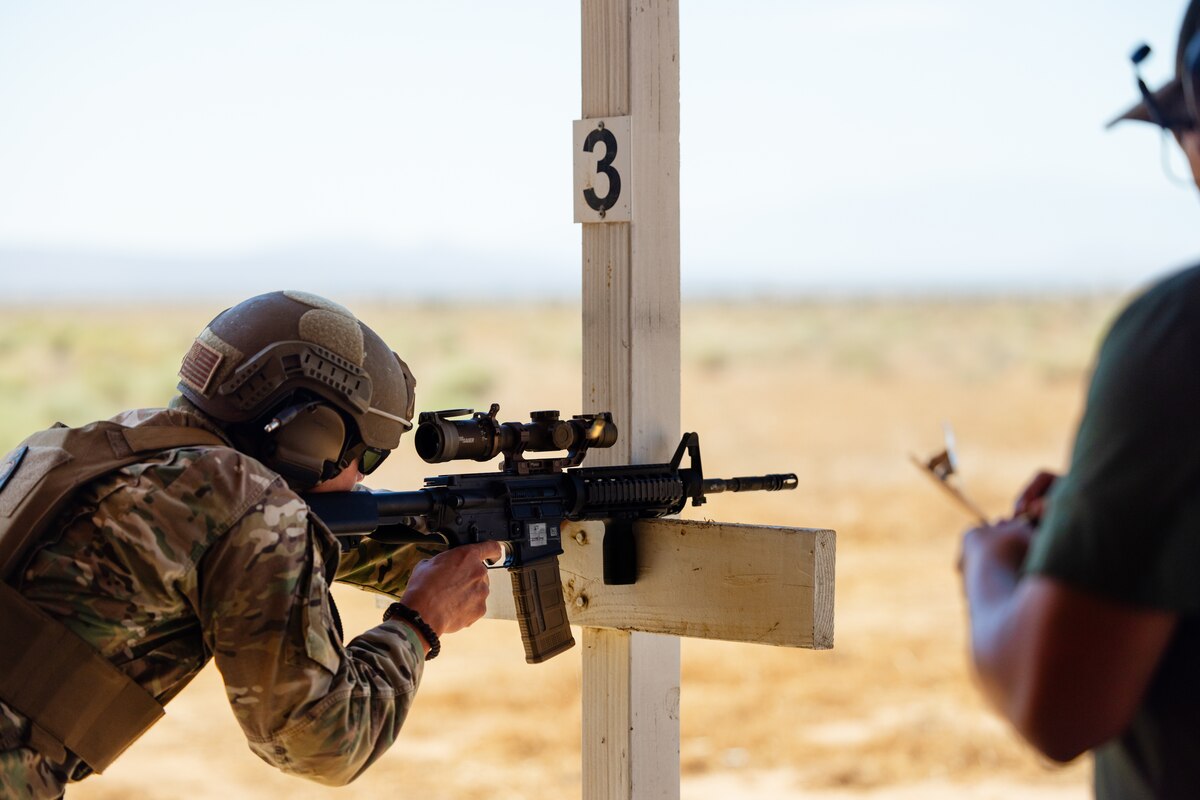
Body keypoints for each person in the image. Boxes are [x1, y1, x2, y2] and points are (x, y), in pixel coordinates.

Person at [0, 290, 502, 797]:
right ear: (314, 435)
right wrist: (419, 623)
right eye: (366, 458)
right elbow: (323, 742)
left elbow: (260, 544)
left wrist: (452, 536)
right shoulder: (247, 502)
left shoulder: (97, 448)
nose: (358, 479)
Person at [958, 3, 1200, 797]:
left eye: (1181, 127)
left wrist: (989, 567)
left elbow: (1054, 704)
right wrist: (1111, 522)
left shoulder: (1179, 335)